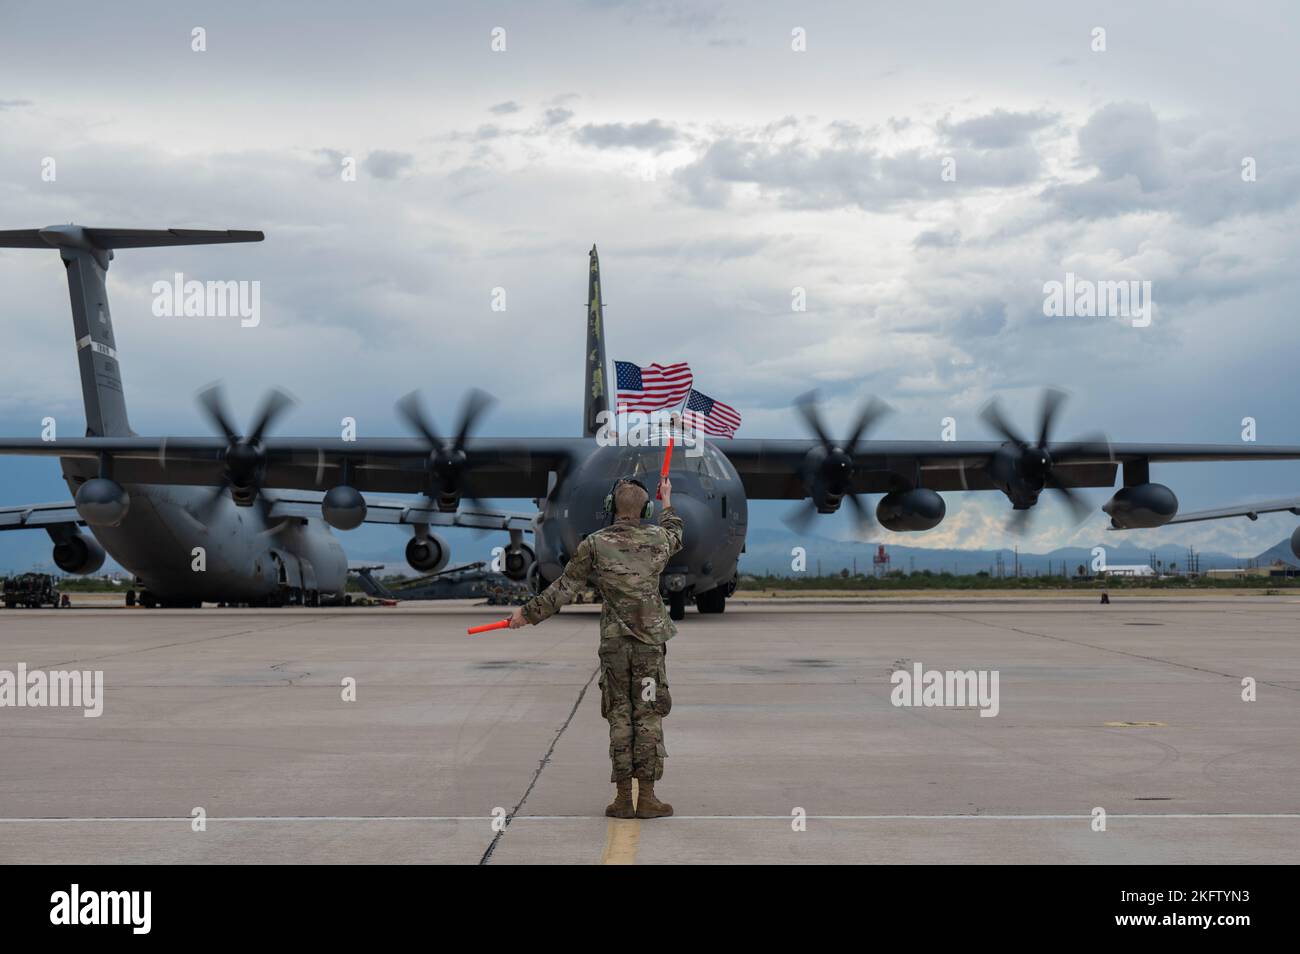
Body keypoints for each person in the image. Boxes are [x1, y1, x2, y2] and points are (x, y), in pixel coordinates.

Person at [510, 474, 683, 819]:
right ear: (645, 508)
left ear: (610, 507)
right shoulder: (659, 539)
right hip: (650, 648)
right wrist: (667, 501)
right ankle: (647, 797)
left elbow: (565, 587)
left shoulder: (594, 543)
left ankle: (622, 798)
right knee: (647, 714)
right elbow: (677, 532)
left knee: (619, 713)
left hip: (615, 647)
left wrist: (526, 615)